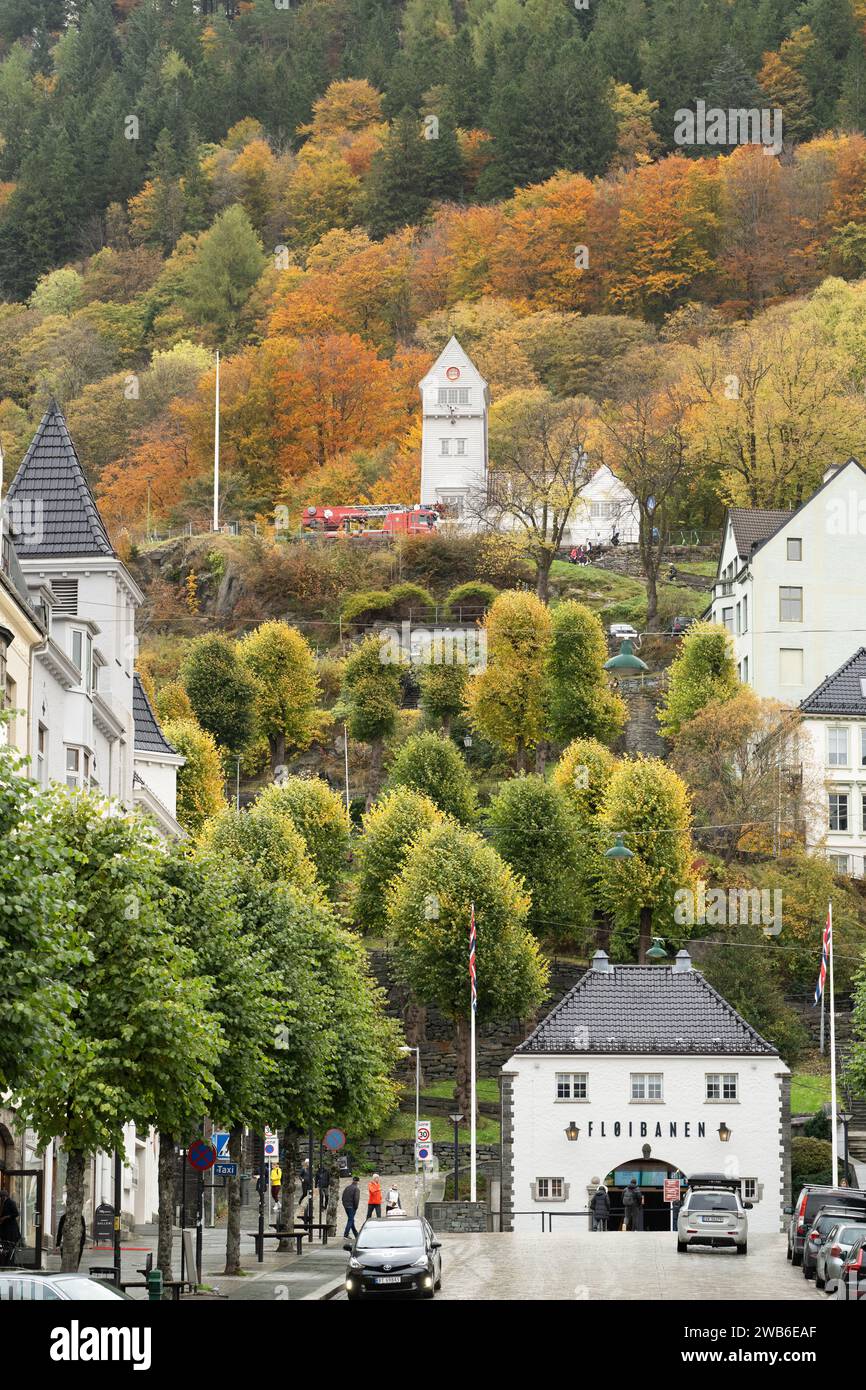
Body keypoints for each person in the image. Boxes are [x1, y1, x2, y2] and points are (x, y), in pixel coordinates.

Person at [0, 1188, 21, 1263]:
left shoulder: (11, 1202)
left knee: (10, 1247)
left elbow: (16, 1214)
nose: (1, 1198)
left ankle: (10, 1262)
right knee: (6, 1247)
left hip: (11, 1230)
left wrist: (6, 1217)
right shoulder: (3, 1203)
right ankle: (6, 1261)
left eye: (2, 1197)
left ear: (5, 1196)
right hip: (5, 1229)